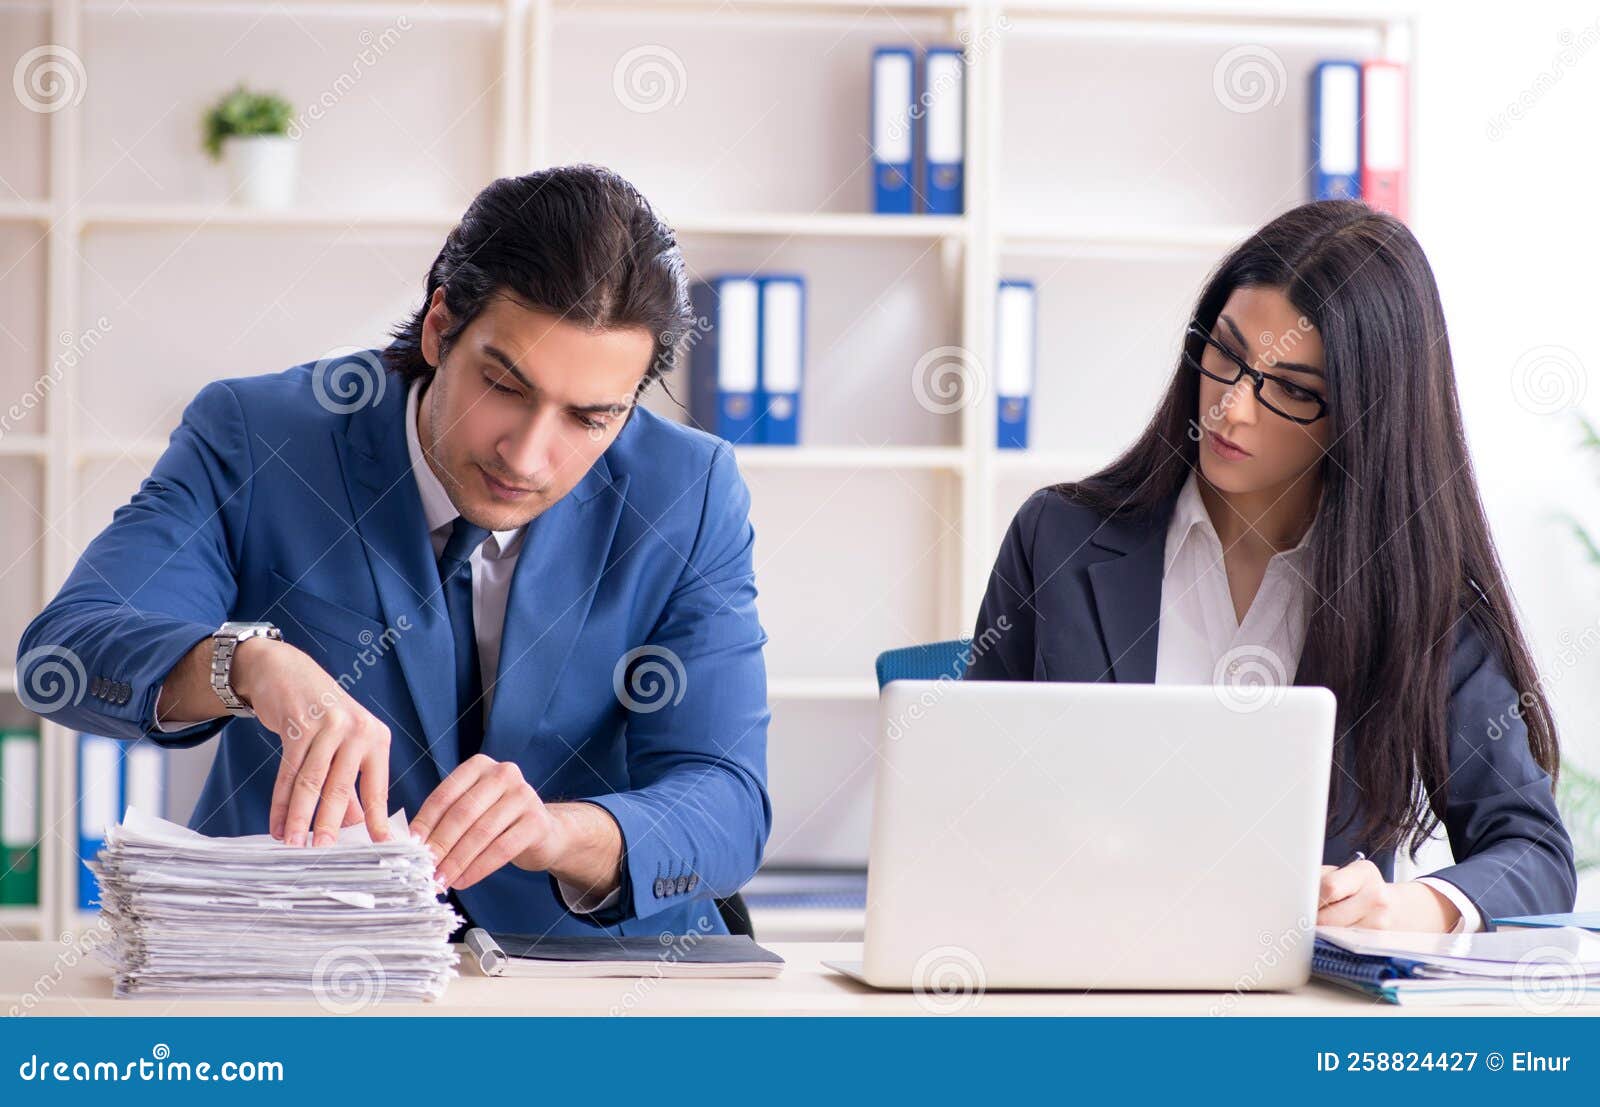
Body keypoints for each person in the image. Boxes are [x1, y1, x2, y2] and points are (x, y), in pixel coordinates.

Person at [18, 165, 771, 937]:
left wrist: (561, 833)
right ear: (440, 327)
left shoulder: (689, 490)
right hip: (296, 953)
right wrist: (244, 664)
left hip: (585, 970)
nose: (527, 456)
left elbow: (729, 800)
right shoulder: (260, 435)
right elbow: (65, 654)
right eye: (504, 386)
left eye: (589, 418)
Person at [967, 199, 1575, 932]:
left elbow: (1533, 851)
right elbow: (965, 800)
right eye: (1225, 354)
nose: (1231, 409)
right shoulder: (1057, 538)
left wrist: (1407, 905)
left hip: (1299, 991)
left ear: (1365, 417)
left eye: (1292, 389)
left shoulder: (1418, 596)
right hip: (1073, 964)